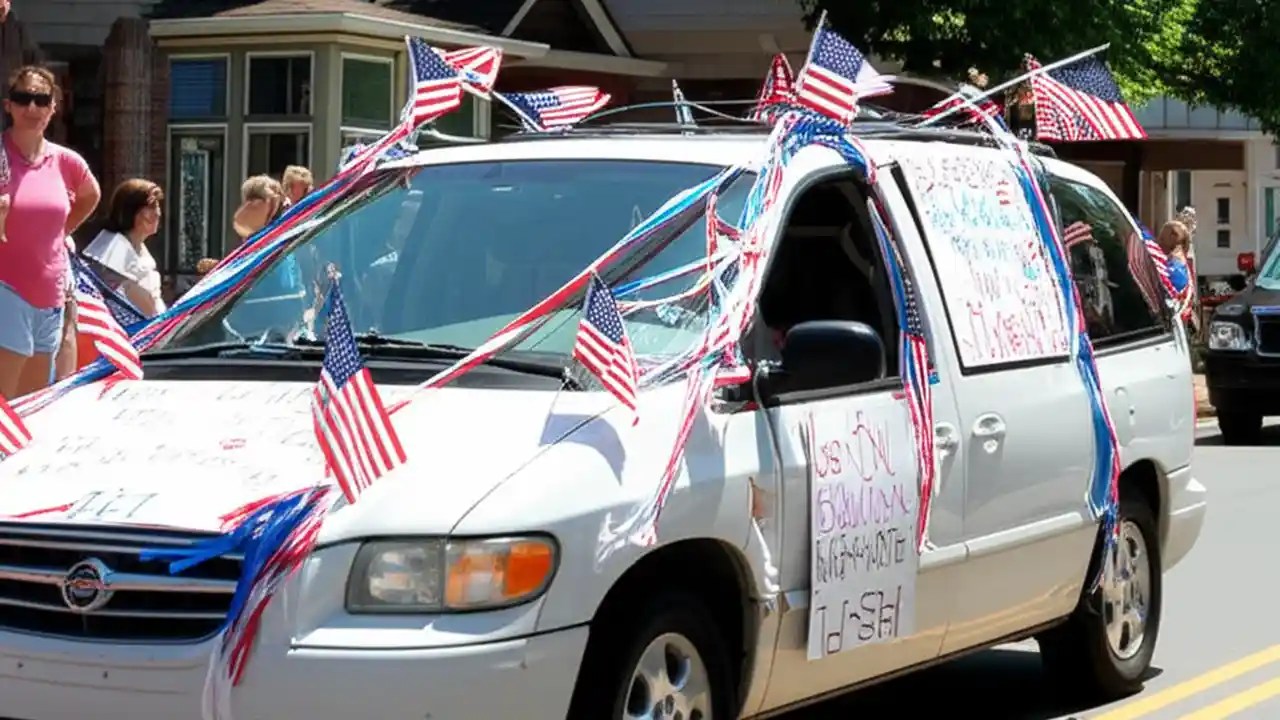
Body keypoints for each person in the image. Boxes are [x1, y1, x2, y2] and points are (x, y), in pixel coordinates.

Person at [0, 65, 101, 399]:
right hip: (6, 288)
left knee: (34, 402)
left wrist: (62, 230)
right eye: (22, 98)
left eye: (41, 99)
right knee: (5, 401)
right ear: (8, 105)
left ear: (53, 107)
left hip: (50, 294)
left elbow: (91, 195)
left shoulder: (65, 161)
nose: (31, 108)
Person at [83, 178, 166, 317]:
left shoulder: (139, 245)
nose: (157, 213)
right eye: (151, 207)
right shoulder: (111, 249)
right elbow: (144, 303)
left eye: (157, 207)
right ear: (131, 211)